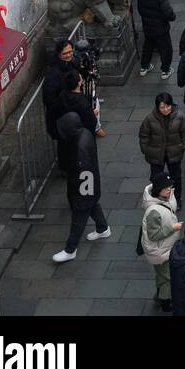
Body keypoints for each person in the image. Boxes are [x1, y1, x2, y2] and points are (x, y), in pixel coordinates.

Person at [52, 111, 110, 263]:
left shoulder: (79, 147)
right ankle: (103, 228)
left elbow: (84, 173)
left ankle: (70, 249)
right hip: (89, 185)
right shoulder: (84, 134)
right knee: (92, 205)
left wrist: (83, 195)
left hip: (83, 187)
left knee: (79, 217)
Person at [138, 91, 185, 210]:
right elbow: (144, 135)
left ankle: (177, 198)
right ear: (158, 107)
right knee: (155, 177)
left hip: (174, 153)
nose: (166, 109)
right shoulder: (150, 118)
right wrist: (146, 150)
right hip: (156, 154)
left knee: (176, 177)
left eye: (168, 106)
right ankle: (156, 199)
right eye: (162, 107)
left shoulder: (180, 116)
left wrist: (183, 146)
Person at [140, 175, 182, 313]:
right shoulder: (153, 212)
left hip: (162, 249)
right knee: (168, 278)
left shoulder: (164, 199)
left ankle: (158, 296)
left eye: (170, 187)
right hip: (161, 252)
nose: (169, 190)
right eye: (166, 188)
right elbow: (154, 235)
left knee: (162, 274)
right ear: (158, 190)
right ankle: (165, 303)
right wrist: (173, 227)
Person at [43, 37, 83, 171]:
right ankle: (66, 168)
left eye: (70, 52)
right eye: (65, 53)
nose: (68, 55)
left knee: (72, 142)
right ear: (59, 54)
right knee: (65, 143)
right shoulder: (53, 74)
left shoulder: (71, 63)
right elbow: (49, 99)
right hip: (60, 116)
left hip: (71, 112)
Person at [138, 0, 175, 80]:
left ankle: (144, 67)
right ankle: (165, 70)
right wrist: (172, 17)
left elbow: (140, 10)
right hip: (161, 28)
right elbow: (169, 14)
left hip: (147, 26)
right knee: (165, 49)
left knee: (148, 46)